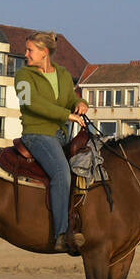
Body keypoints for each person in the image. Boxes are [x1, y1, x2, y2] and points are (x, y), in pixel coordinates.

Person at [15, 31, 88, 253]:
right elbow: (31, 105)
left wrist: (81, 103)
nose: (25, 54)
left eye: (30, 50)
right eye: (27, 49)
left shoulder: (64, 75)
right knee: (61, 173)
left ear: (44, 52)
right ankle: (61, 235)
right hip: (36, 134)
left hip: (61, 136)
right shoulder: (22, 76)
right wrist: (66, 116)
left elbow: (70, 99)